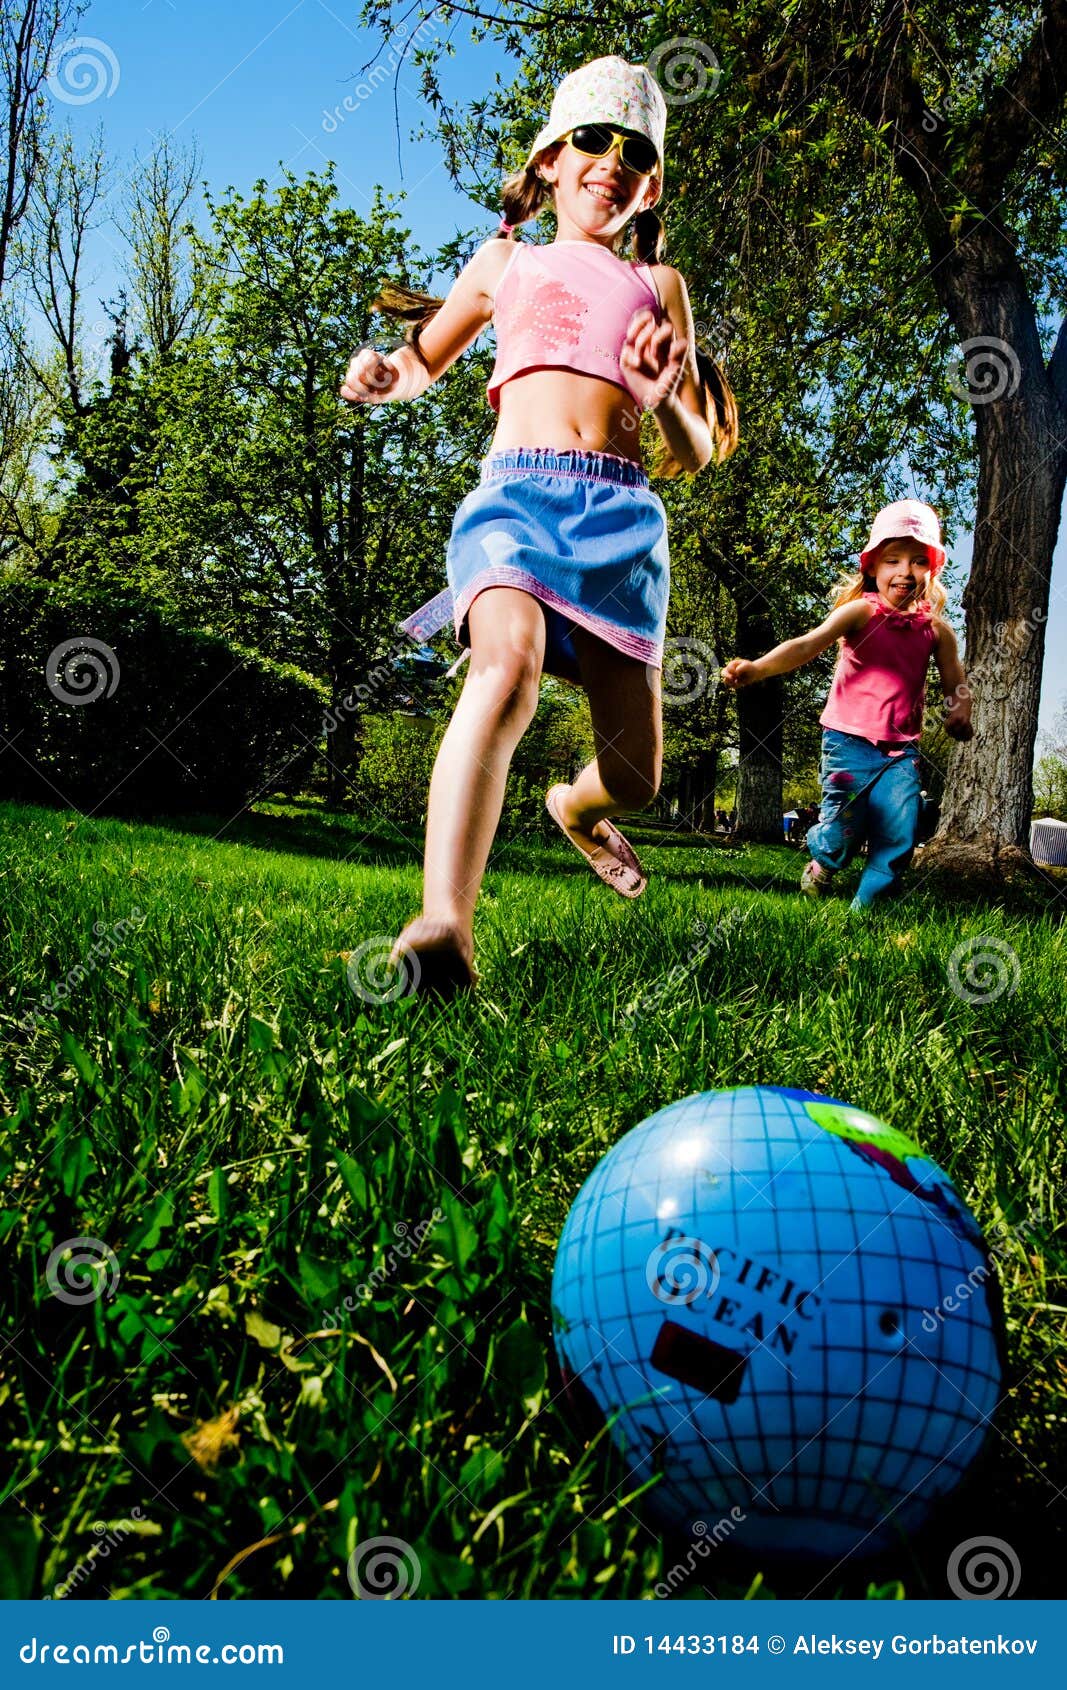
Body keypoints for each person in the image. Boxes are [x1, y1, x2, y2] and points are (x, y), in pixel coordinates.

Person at [340, 55, 738, 994]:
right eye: (594, 140)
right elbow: (422, 361)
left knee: (635, 774)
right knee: (504, 669)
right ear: (552, 161)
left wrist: (659, 393)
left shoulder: (660, 286)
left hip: (622, 523)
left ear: (650, 185)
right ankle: (445, 924)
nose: (614, 160)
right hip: (514, 501)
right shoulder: (504, 263)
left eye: (636, 151)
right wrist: (379, 376)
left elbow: (691, 445)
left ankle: (572, 805)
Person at [721, 500, 973, 910]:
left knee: (899, 830)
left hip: (900, 752)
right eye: (893, 560)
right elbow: (806, 645)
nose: (905, 571)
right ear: (873, 567)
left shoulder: (936, 631)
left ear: (932, 569)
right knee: (842, 831)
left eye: (917, 561)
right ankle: (822, 864)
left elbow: (954, 679)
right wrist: (757, 669)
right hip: (847, 743)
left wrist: (959, 710)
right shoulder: (861, 613)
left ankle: (865, 908)